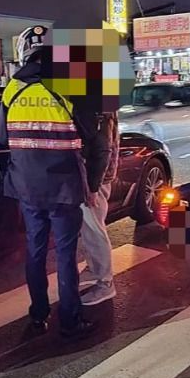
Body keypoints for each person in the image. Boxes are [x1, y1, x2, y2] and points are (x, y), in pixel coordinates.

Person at [0, 25, 101, 339]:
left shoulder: (12, 89)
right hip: (63, 189)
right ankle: (70, 321)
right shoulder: (67, 86)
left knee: (35, 251)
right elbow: (91, 134)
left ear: (24, 51)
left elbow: (1, 136)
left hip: (27, 187)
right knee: (66, 255)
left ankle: (38, 315)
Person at [79, 109, 120, 305]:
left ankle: (105, 283)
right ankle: (94, 268)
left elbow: (103, 148)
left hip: (96, 177)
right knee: (89, 227)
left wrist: (94, 186)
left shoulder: (100, 105)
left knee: (94, 228)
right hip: (93, 176)